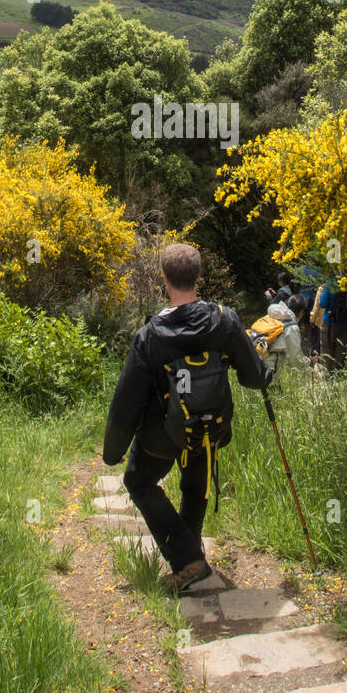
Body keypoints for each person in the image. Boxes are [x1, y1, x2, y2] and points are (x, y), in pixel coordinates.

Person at [103, 243, 272, 594]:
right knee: (195, 487)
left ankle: (188, 561)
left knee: (138, 481)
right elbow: (252, 376)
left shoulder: (149, 336)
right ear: (198, 277)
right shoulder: (223, 321)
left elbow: (127, 402)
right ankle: (190, 558)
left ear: (164, 280)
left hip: (161, 435)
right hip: (209, 427)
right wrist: (266, 376)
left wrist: (113, 450)